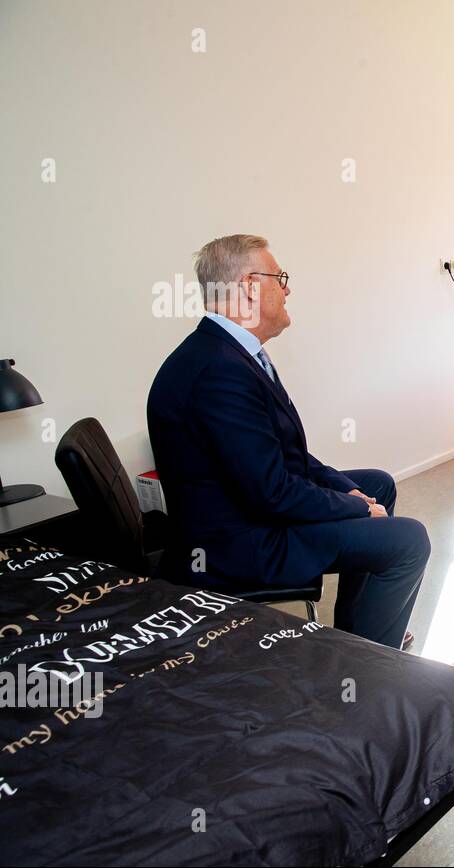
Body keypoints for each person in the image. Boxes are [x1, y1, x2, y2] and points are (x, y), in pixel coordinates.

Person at [147, 234, 430, 651]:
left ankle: (358, 632)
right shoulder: (218, 371)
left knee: (377, 483)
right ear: (248, 287)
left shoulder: (231, 353)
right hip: (238, 542)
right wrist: (356, 507)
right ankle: (370, 668)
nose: (287, 288)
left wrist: (350, 491)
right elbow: (272, 492)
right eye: (279, 277)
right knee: (409, 540)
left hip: (251, 510)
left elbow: (285, 451)